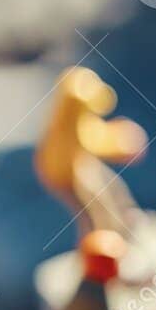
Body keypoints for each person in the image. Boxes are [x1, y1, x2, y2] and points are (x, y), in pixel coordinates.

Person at [35, 66, 147, 238]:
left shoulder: (75, 118)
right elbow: (92, 142)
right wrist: (122, 144)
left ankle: (120, 227)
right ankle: (105, 241)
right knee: (95, 206)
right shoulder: (67, 126)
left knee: (110, 189)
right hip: (68, 173)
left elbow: (93, 134)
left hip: (74, 165)